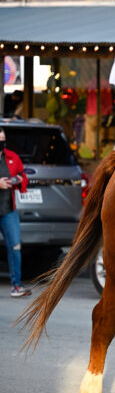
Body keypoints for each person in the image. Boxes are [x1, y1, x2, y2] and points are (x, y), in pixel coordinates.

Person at [0, 127, 29, 297]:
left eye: (3, 139)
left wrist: (16, 180)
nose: (2, 142)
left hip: (8, 210)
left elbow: (23, 176)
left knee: (15, 246)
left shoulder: (11, 157)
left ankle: (16, 286)